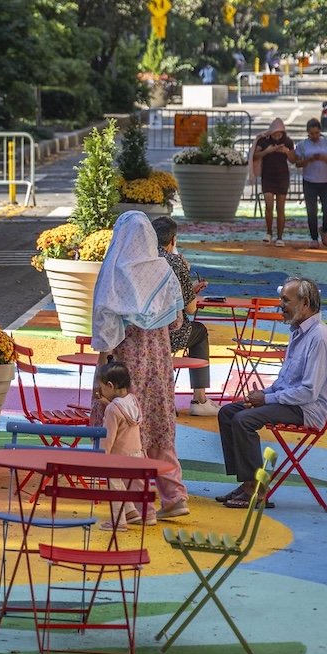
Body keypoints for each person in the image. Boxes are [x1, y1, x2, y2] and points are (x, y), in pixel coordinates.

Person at [89, 211, 190, 520]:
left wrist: (101, 363)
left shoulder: (116, 273)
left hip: (124, 364)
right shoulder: (162, 271)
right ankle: (174, 496)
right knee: (159, 425)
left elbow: (106, 325)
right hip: (158, 363)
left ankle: (131, 504)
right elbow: (177, 321)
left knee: (124, 431)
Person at [216, 277, 327, 509]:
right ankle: (247, 483)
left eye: (286, 300)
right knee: (228, 412)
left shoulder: (319, 338)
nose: (280, 305)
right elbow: (286, 380)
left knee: (243, 420)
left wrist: (266, 398)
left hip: (306, 409)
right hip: (291, 401)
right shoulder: (300, 331)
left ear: (305, 304)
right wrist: (265, 394)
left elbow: (308, 392)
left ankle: (256, 489)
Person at [152, 215, 213, 416]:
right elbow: (190, 309)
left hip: (139, 330)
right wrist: (191, 289)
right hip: (168, 334)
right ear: (173, 240)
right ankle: (199, 398)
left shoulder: (142, 259)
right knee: (200, 332)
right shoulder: (176, 263)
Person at [94, 360, 150, 530]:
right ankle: (131, 511)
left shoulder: (112, 409)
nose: (101, 391)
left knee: (115, 487)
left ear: (110, 385)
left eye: (103, 387)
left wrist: (102, 456)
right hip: (136, 453)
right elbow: (122, 417)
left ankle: (118, 521)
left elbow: (108, 436)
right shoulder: (132, 401)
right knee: (122, 485)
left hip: (118, 457)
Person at [293, 118, 327, 247]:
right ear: (307, 133)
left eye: (317, 133)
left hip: (325, 181)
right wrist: (309, 160)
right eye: (311, 133)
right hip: (309, 181)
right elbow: (297, 163)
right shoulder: (302, 145)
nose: (314, 136)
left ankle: (324, 229)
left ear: (320, 131)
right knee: (311, 210)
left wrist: (325, 159)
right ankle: (314, 237)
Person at [252, 118, 297, 246]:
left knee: (280, 208)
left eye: (279, 134)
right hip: (267, 176)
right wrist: (267, 151)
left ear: (283, 133)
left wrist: (287, 152)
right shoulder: (264, 141)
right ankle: (269, 232)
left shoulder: (288, 142)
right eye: (275, 134)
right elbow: (254, 156)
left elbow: (294, 160)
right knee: (269, 205)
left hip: (282, 177)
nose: (277, 136)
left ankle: (280, 236)